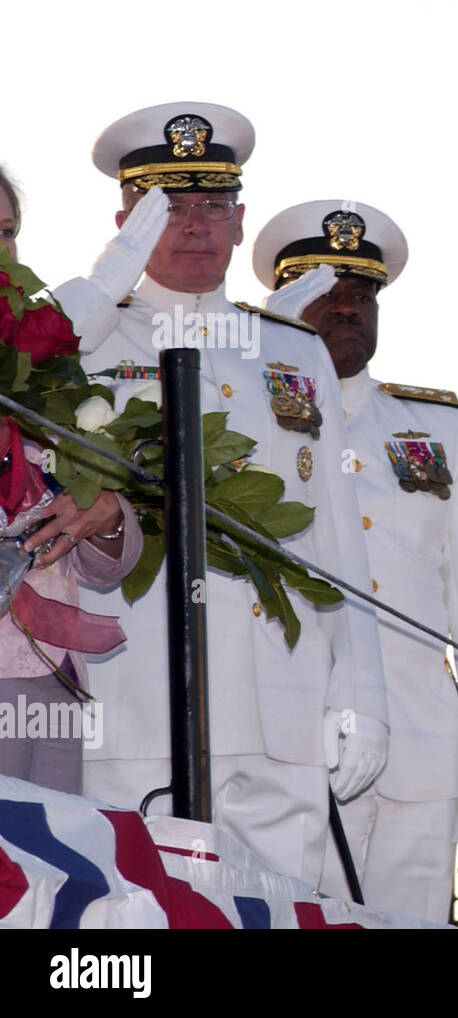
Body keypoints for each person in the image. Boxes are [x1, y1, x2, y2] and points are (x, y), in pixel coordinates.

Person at [52, 106, 388, 893]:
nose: (192, 227)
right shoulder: (86, 338)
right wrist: (103, 279)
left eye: (211, 207)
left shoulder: (295, 351)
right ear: (126, 222)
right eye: (166, 208)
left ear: (240, 223)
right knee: (131, 918)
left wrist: (362, 695)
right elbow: (18, 372)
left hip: (281, 707)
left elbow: (338, 539)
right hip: (132, 702)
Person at [253, 200, 458, 921]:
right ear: (287, 301)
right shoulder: (240, 410)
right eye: (327, 291)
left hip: (421, 752)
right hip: (289, 747)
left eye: (362, 295)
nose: (348, 309)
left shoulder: (435, 428)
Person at [0, 164, 144, 794]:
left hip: (43, 675)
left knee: (44, 880)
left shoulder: (50, 373)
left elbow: (101, 567)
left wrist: (108, 515)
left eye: (6, 231)